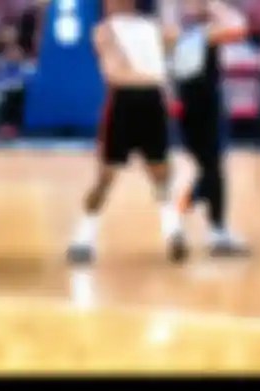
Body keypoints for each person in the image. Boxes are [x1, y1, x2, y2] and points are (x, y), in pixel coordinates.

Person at [68, 0, 184, 265]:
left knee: (161, 172)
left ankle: (174, 232)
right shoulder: (104, 30)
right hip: (123, 100)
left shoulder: (152, 27)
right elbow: (114, 65)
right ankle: (83, 239)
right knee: (106, 176)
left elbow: (172, 39)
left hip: (152, 100)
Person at [167, 0, 249, 255]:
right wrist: (215, 6)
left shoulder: (188, 32)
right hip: (200, 110)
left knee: (210, 169)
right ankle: (212, 229)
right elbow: (239, 27)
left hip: (197, 109)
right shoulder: (198, 33)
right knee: (212, 169)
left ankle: (192, 213)